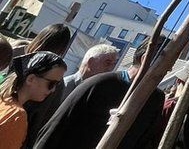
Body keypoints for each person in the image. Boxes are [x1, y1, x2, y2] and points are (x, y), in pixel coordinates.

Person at [35, 39, 165, 149]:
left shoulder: (156, 99)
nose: (169, 68)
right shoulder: (100, 84)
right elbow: (54, 130)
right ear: (145, 59)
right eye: (169, 62)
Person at [0, 52, 67, 149]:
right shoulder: (16, 116)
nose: (53, 90)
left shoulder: (4, 100)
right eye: (52, 84)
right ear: (30, 79)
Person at [20, 24, 72, 148]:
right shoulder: (55, 80)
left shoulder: (17, 57)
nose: (52, 88)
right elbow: (42, 120)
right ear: (62, 49)